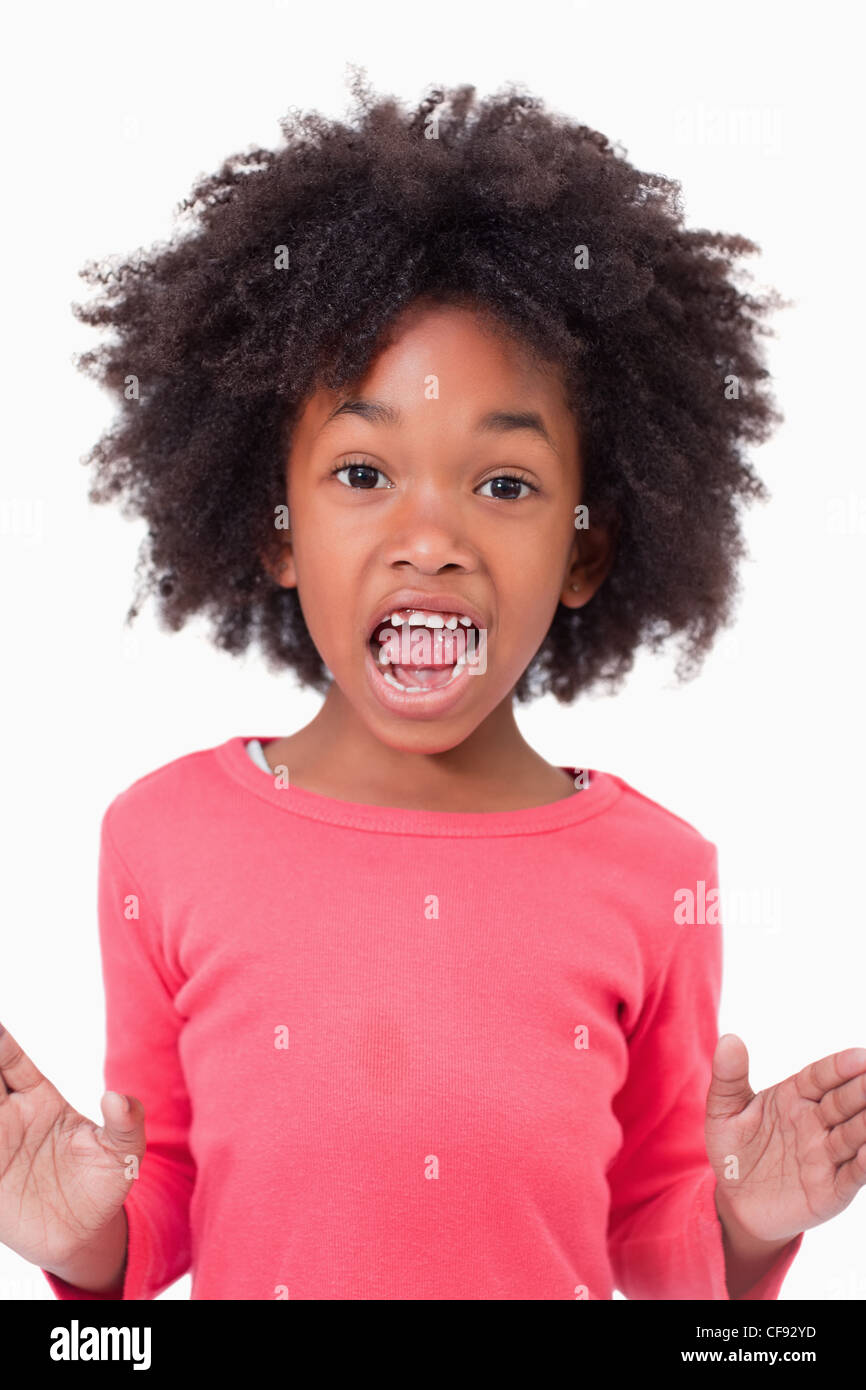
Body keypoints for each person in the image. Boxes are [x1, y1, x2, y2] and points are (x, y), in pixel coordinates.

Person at [2, 74, 863, 1301]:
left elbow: (649, 1245)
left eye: (502, 485)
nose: (428, 537)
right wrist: (72, 1235)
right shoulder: (161, 838)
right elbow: (160, 1209)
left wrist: (745, 1218)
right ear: (274, 525)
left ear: (584, 549)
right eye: (362, 471)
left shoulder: (659, 870)